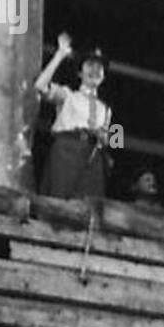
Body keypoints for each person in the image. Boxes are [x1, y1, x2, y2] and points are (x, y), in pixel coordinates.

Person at [34, 32, 112, 201]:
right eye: (90, 65)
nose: (95, 70)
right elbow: (40, 85)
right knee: (59, 200)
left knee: (90, 207)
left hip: (92, 158)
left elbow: (113, 141)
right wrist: (60, 54)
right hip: (67, 150)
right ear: (80, 72)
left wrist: (104, 138)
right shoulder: (68, 96)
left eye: (100, 67)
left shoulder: (105, 109)